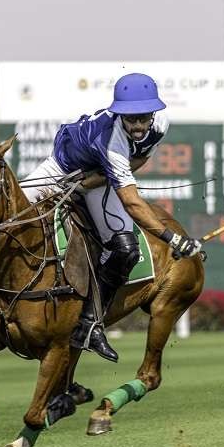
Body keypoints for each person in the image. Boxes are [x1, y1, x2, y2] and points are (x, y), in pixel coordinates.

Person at [21, 73, 203, 363]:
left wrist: (93, 180)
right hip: (61, 167)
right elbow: (132, 202)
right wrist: (174, 238)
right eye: (131, 119)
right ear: (121, 115)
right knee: (13, 215)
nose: (138, 125)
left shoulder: (160, 124)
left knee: (124, 248)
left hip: (95, 174)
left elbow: (140, 158)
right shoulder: (111, 140)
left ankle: (89, 325)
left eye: (143, 117)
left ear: (153, 113)